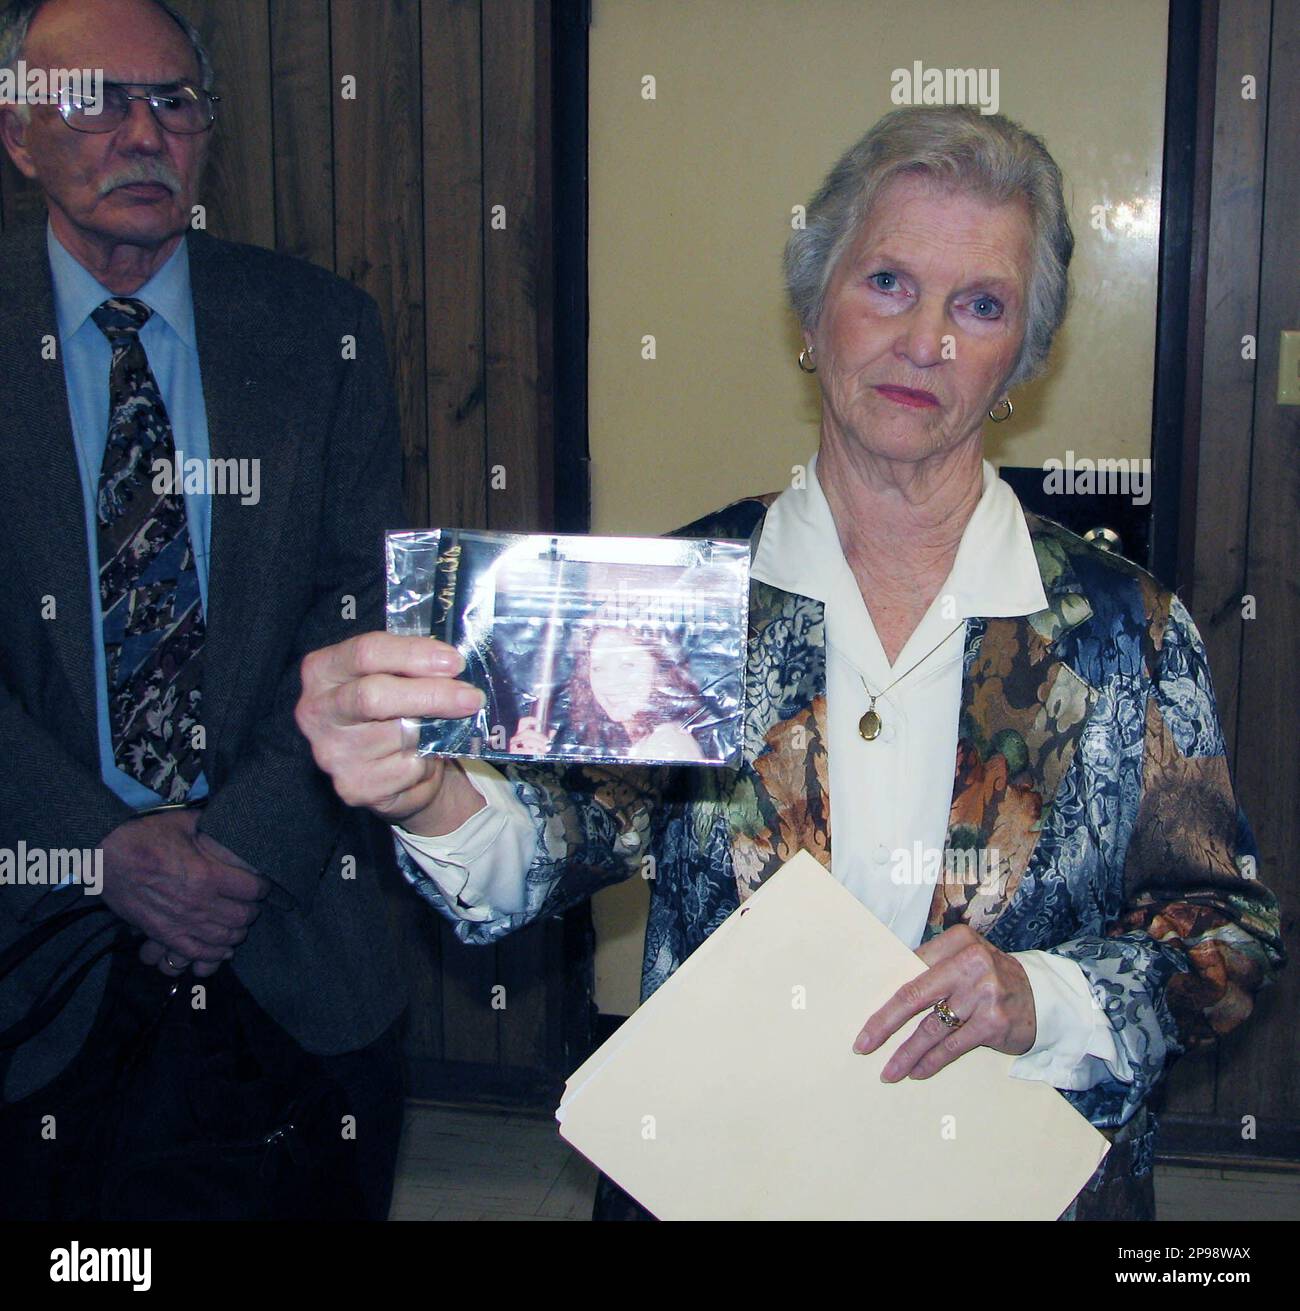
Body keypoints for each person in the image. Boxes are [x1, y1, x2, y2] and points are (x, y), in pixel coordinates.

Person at [295, 105, 1285, 1221]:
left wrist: (1043, 995)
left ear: (1023, 359)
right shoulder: (693, 591)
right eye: (887, 284)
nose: (927, 342)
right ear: (811, 314)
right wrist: (424, 791)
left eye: (981, 305)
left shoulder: (1123, 629)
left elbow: (1225, 937)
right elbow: (552, 840)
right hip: (720, 1181)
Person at [0, 0, 406, 1220]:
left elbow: (366, 595)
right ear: (18, 132)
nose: (142, 132)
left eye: (174, 101)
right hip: (36, 946)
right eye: (95, 100)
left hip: (289, 923)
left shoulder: (319, 329)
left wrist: (236, 847)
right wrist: (107, 846)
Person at [509, 619, 711, 762]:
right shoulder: (624, 741)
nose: (610, 683)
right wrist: (534, 760)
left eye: (627, 666)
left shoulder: (668, 746)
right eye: (598, 668)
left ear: (660, 670)